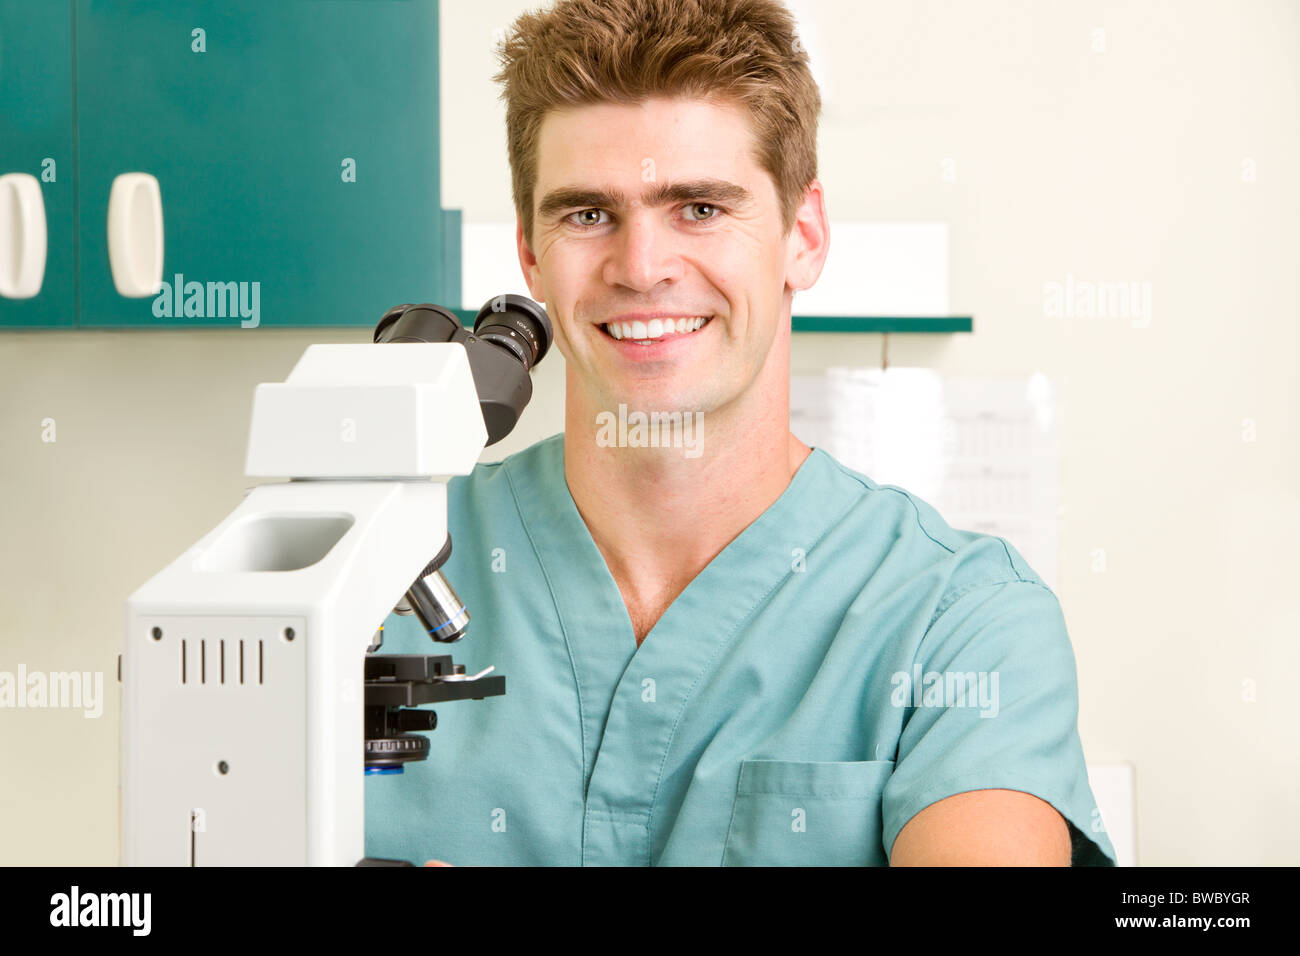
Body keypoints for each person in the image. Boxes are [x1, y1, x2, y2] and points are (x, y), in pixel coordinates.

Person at [365, 0, 1117, 866]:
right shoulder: (367, 564)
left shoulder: (956, 622)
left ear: (803, 235)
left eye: (699, 209)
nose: (642, 266)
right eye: (587, 214)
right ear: (531, 257)